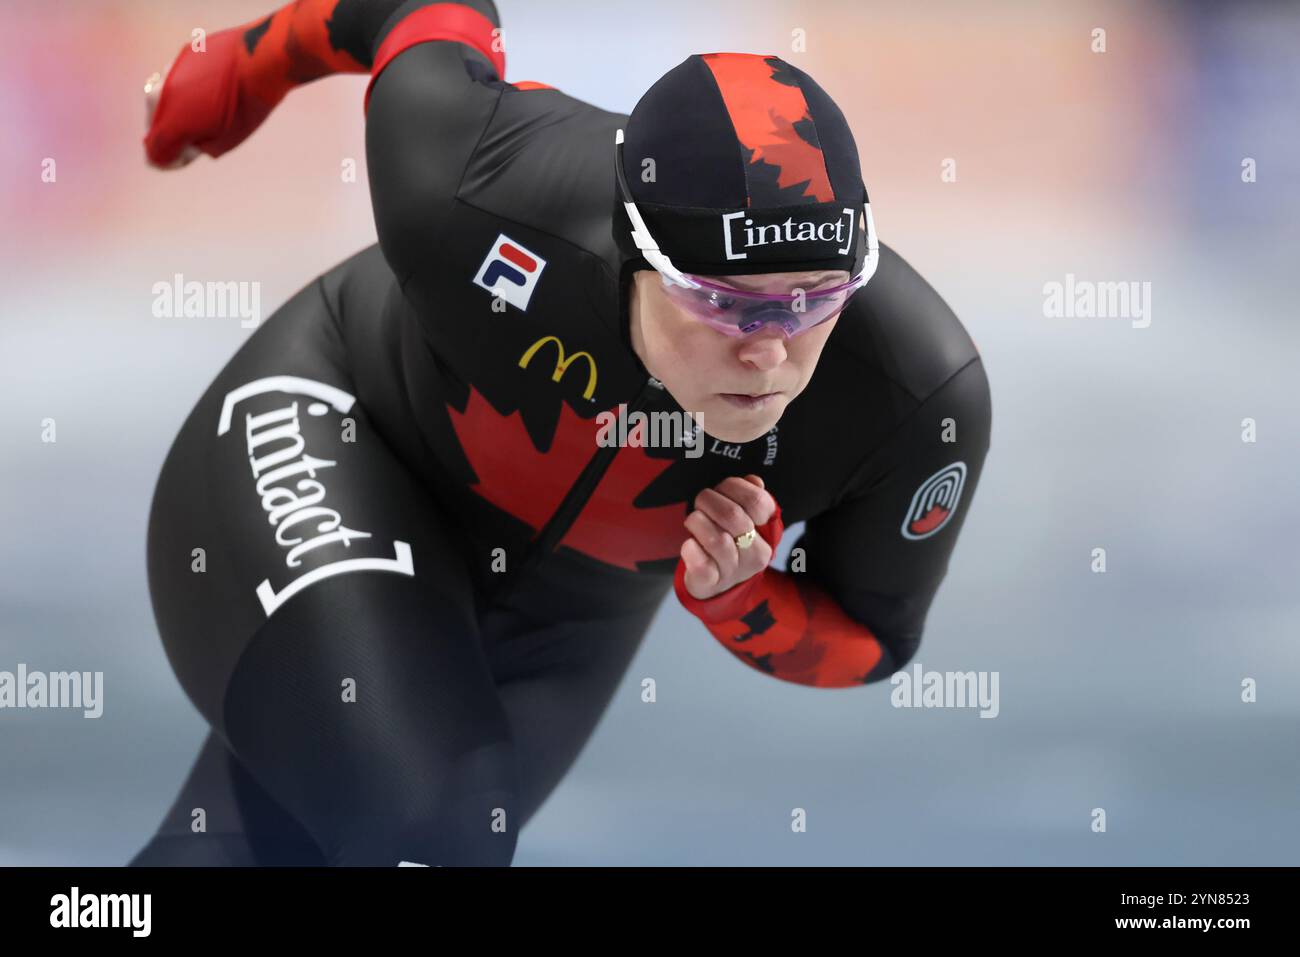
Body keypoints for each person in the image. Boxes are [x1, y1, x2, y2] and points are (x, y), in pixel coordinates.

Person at [130, 0, 992, 867]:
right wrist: (247, 65)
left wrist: (737, 601)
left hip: (573, 610)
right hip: (349, 440)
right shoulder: (470, 181)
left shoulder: (916, 398)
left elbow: (873, 639)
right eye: (725, 303)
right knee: (436, 833)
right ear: (634, 250)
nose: (769, 351)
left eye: (813, 299)